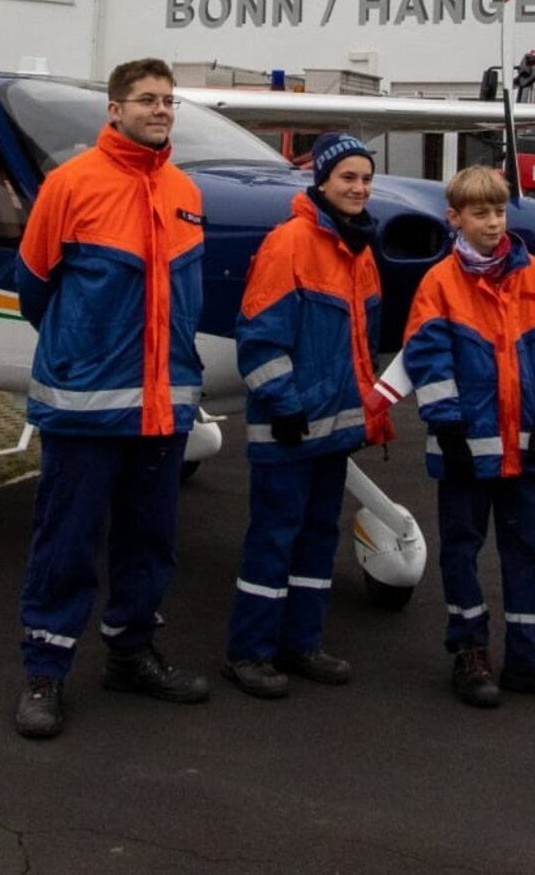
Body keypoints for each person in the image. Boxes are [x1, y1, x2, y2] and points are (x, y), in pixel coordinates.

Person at [12, 57, 211, 739]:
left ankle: (131, 655)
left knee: (150, 543)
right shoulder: (69, 186)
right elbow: (35, 288)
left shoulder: (186, 190)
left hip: (164, 409)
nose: (161, 109)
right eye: (148, 99)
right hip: (84, 406)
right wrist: (82, 354)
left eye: (169, 100)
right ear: (114, 108)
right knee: (64, 542)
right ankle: (45, 671)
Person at [403, 165, 535, 709]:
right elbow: (428, 360)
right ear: (454, 219)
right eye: (479, 213)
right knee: (461, 551)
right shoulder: (438, 284)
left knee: (530, 550)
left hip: (528, 448)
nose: (491, 222)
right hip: (464, 451)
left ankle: (530, 657)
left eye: (499, 211)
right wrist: (449, 428)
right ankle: (470, 651)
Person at [222, 131, 394, 700]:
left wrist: (364, 413)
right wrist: (286, 407)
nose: (359, 187)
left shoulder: (360, 251)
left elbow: (361, 346)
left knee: (319, 538)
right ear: (321, 181)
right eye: (348, 177)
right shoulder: (288, 243)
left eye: (366, 178)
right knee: (273, 537)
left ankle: (302, 642)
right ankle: (250, 651)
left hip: (334, 428)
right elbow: (259, 339)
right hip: (289, 427)